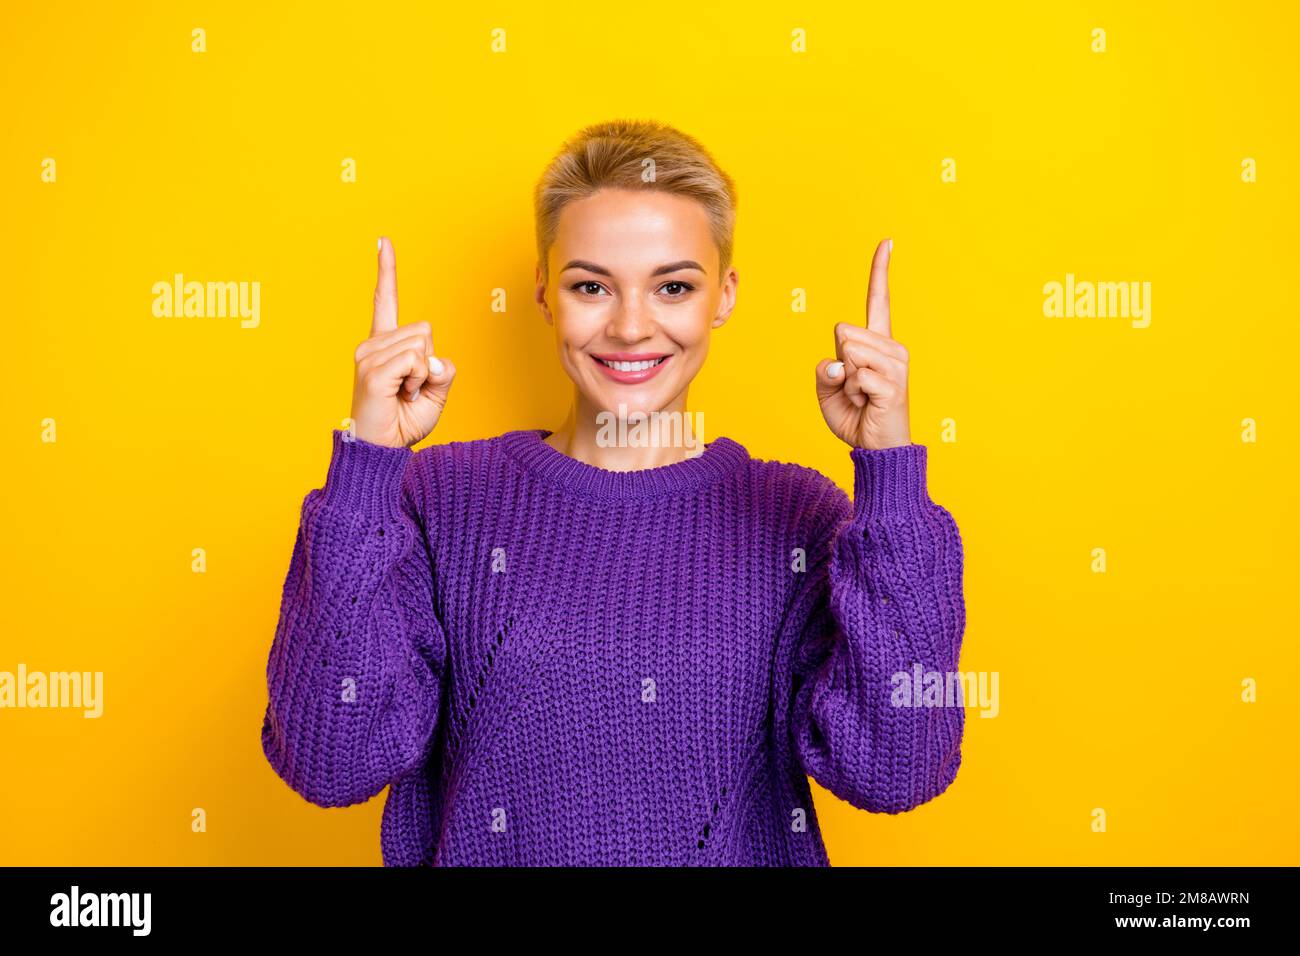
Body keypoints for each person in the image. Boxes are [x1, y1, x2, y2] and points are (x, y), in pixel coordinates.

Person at [260, 119, 966, 866]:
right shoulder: (438, 501)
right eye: (591, 286)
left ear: (723, 296)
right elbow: (329, 760)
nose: (631, 327)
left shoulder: (797, 517)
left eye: (673, 287)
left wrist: (890, 473)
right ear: (544, 291)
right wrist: (367, 464)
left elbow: (898, 770)